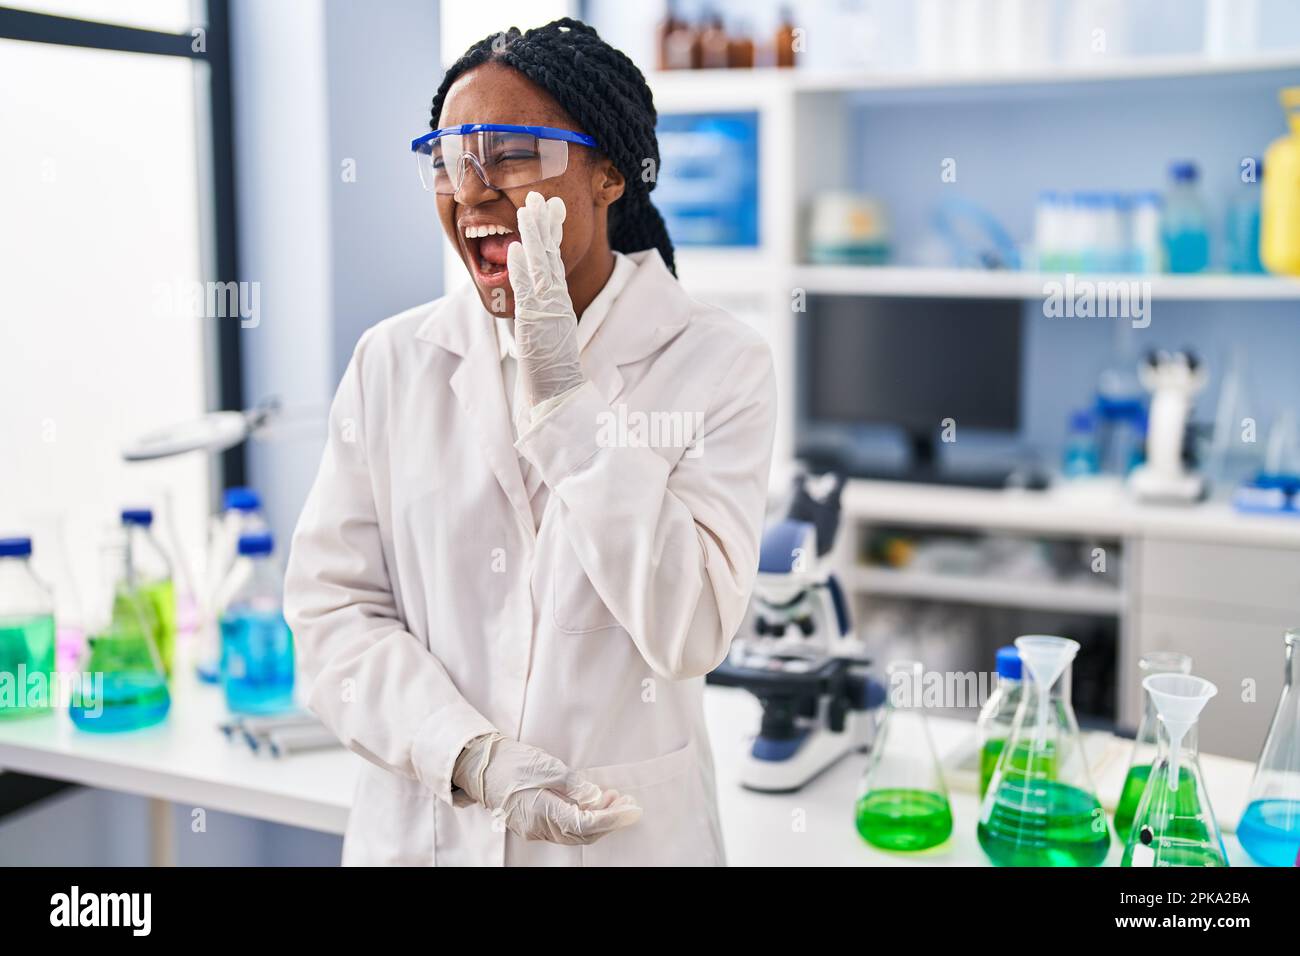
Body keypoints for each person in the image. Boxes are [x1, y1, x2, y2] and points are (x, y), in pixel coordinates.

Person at [284, 18, 776, 866]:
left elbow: (690, 627)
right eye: (446, 159)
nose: (470, 191)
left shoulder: (719, 362)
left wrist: (564, 400)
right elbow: (333, 614)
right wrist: (467, 756)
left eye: (510, 153)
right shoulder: (392, 361)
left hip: (624, 839)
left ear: (608, 174)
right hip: (425, 832)